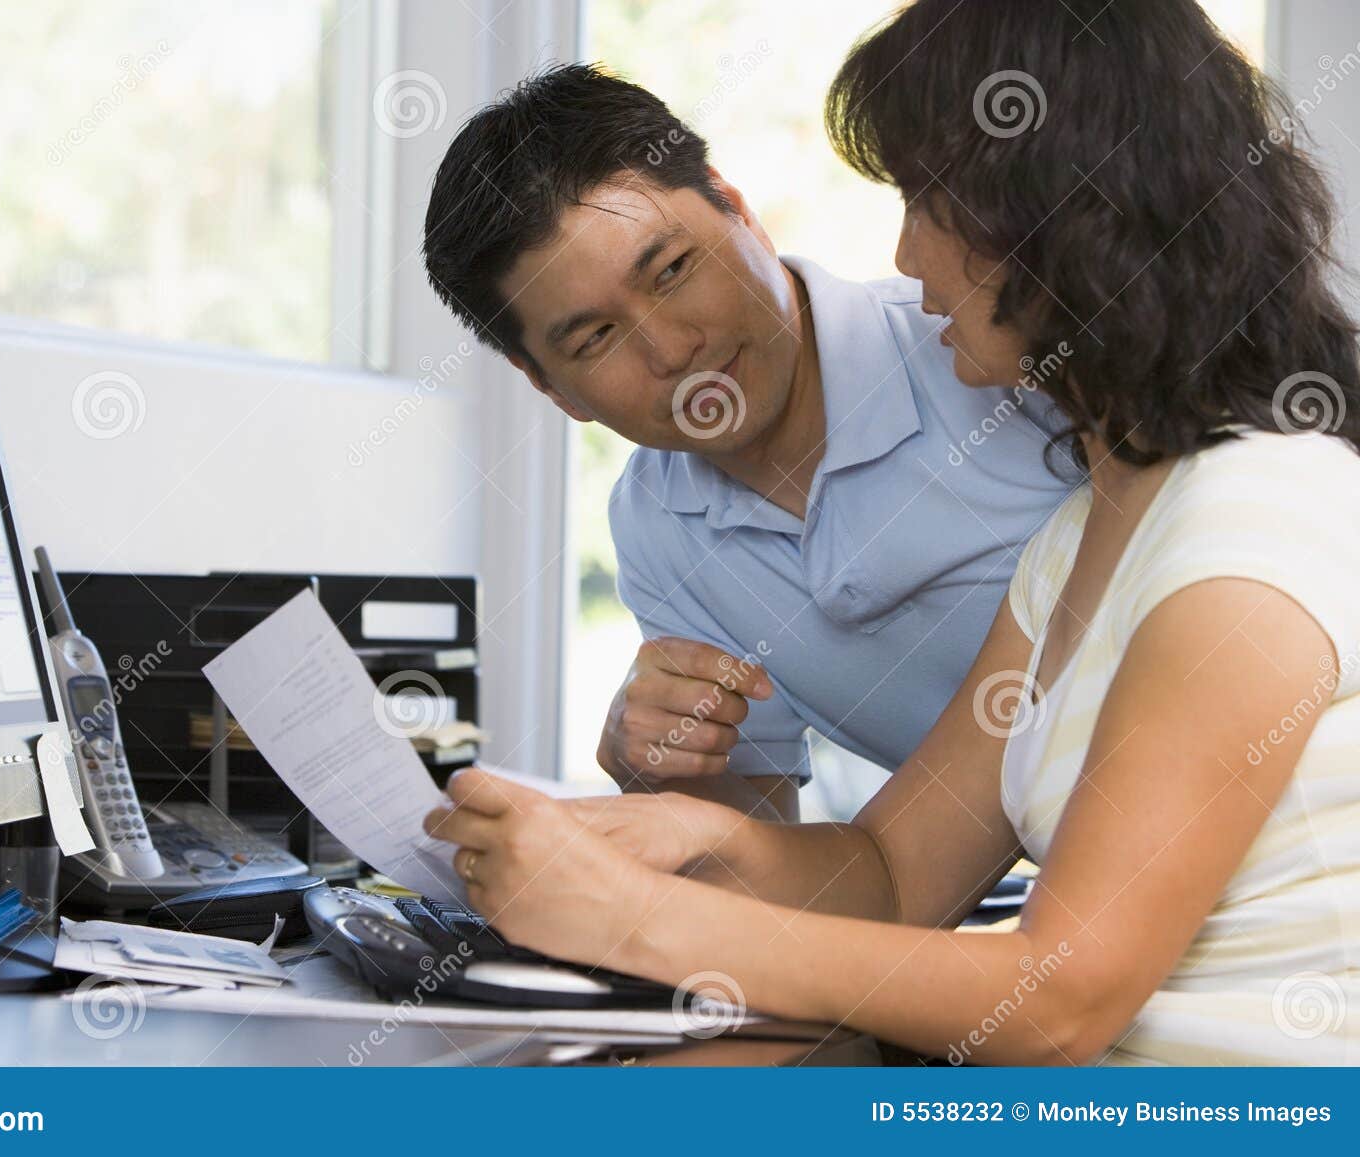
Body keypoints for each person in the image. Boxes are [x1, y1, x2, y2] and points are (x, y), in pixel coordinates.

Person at [427, 0, 1360, 1065]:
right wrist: (691, 834)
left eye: (930, 204)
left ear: (1064, 217)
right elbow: (896, 868)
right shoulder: (1081, 533)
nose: (907, 257)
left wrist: (630, 915)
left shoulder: (1257, 509)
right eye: (595, 333)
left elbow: (1059, 1001)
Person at [422, 65, 1076, 824]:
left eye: (672, 270)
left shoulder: (992, 351)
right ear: (550, 387)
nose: (671, 351)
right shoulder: (656, 524)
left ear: (737, 209)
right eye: (597, 336)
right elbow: (765, 856)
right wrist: (651, 767)